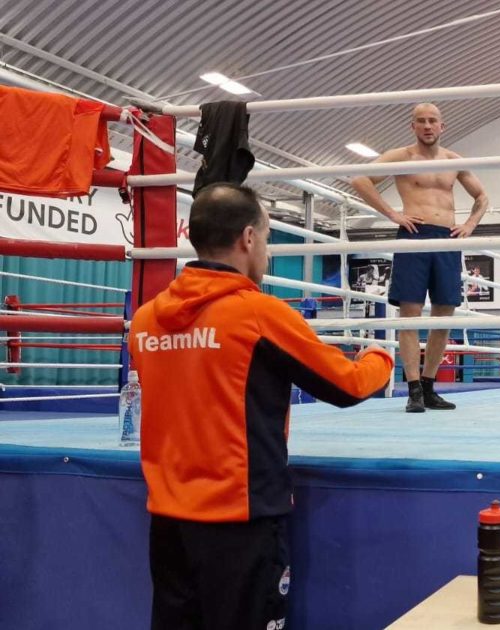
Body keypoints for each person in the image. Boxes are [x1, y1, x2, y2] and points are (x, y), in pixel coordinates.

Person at [130, 184, 394, 630]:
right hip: (240, 519)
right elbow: (347, 385)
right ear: (249, 239)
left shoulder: (146, 318)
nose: (266, 252)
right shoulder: (257, 313)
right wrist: (382, 357)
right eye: (268, 239)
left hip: (169, 521)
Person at [349, 102, 490, 413]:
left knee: (444, 315)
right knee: (410, 315)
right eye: (421, 121)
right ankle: (413, 388)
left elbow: (482, 196)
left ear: (442, 126)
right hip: (414, 235)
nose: (427, 126)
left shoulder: (454, 160)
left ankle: (429, 387)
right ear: (412, 126)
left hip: (447, 239)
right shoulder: (400, 157)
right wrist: (392, 214)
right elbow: (359, 180)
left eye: (433, 121)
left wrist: (469, 225)